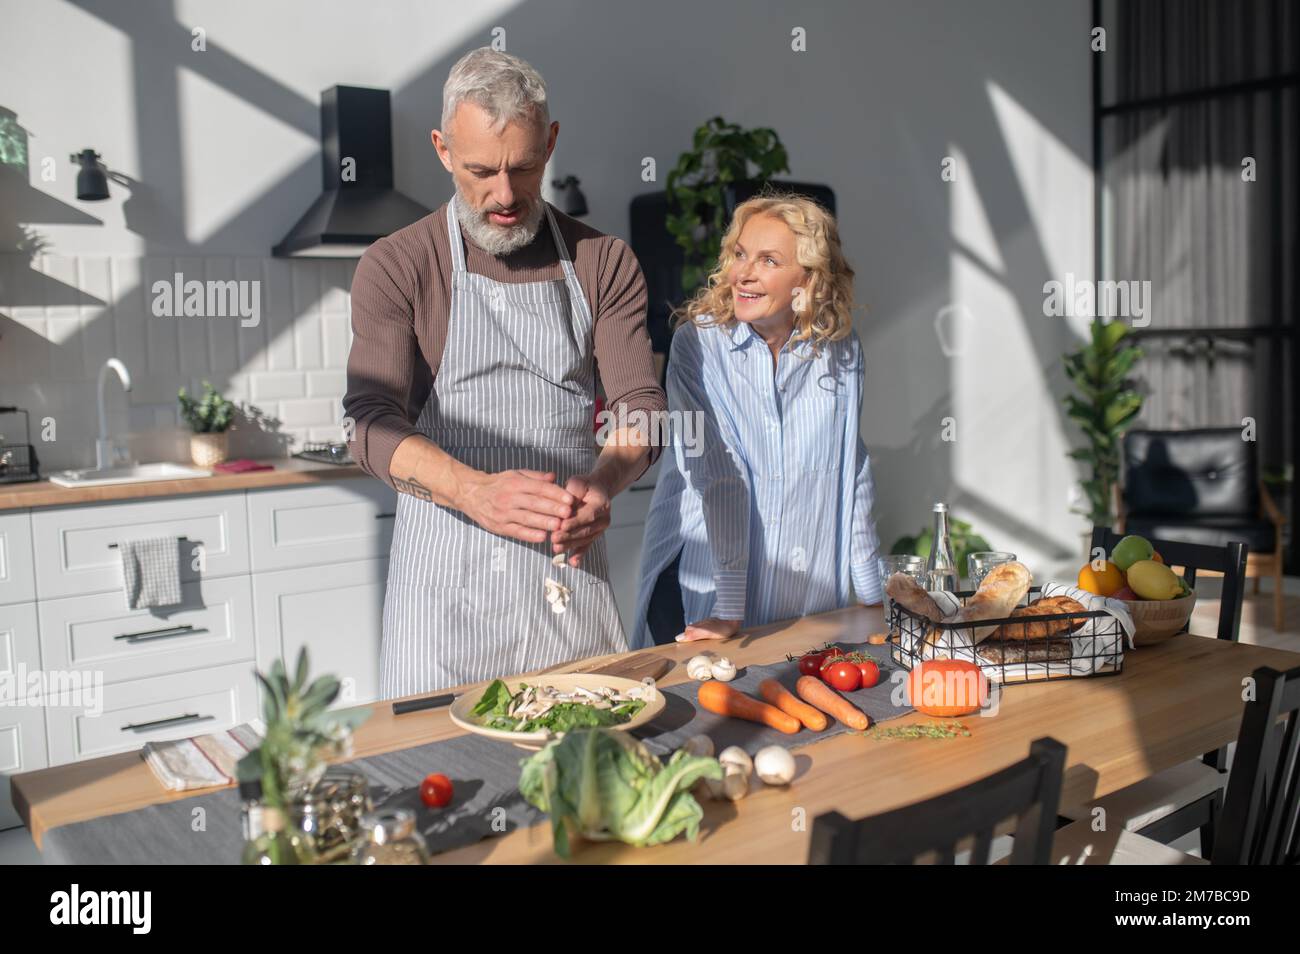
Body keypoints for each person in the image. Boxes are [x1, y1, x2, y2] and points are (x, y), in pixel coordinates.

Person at [344, 48, 664, 696]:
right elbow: (369, 426)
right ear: (442, 149)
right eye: (480, 171)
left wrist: (604, 482)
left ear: (550, 143)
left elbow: (641, 407)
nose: (504, 195)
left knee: (588, 779)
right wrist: (473, 492)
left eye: (523, 168)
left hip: (569, 585)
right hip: (444, 605)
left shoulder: (603, 262)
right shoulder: (398, 265)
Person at [631, 193, 883, 647]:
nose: (743, 273)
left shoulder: (841, 348)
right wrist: (728, 607)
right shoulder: (698, 345)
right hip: (704, 586)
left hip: (802, 592)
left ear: (808, 278)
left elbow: (852, 462)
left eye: (768, 260)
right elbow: (717, 471)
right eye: (741, 255)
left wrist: (870, 586)